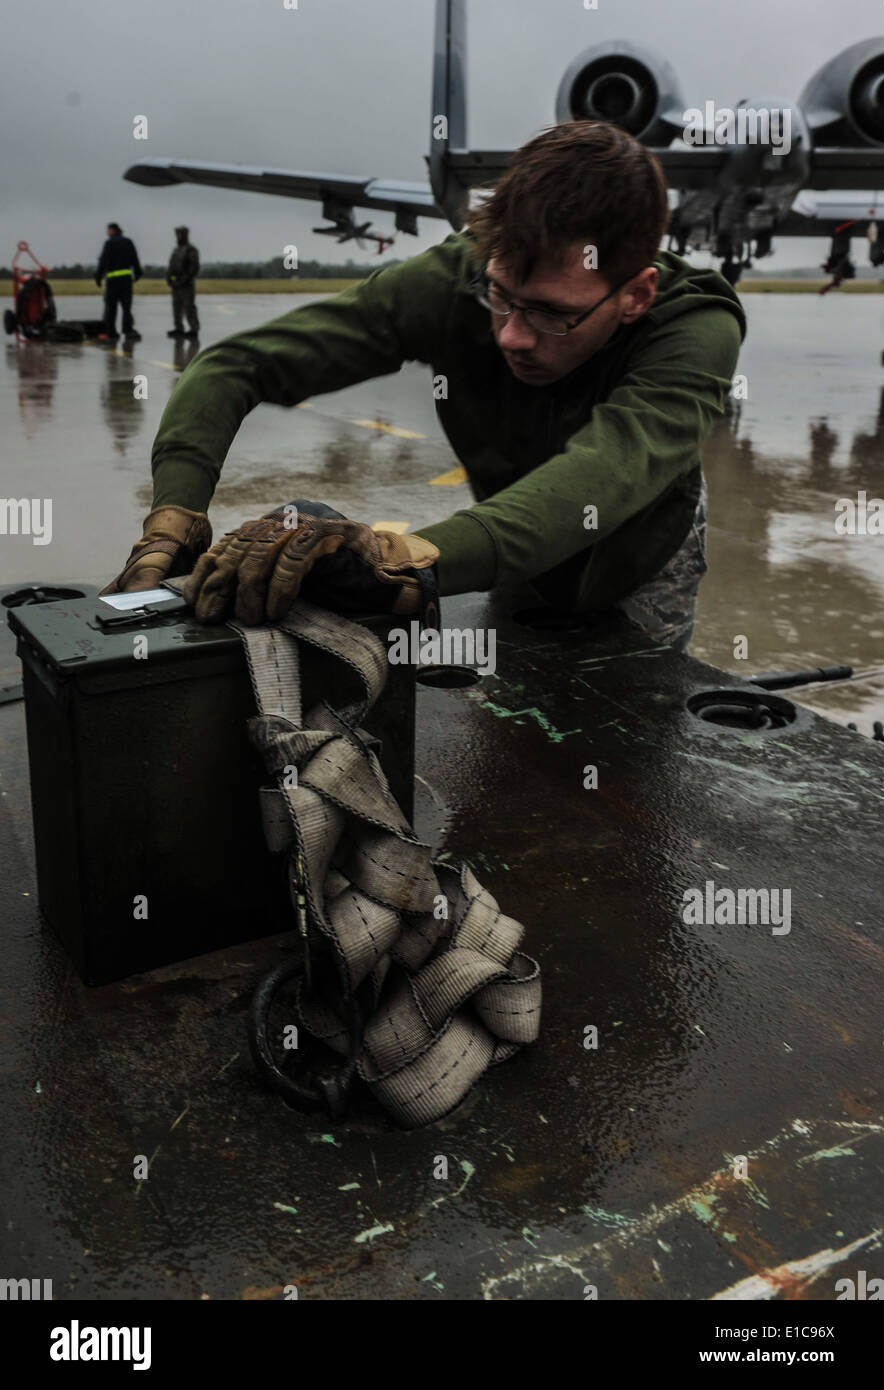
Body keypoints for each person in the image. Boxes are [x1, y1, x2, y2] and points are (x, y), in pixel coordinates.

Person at [103, 121, 746, 651]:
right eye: (499, 296)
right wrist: (173, 522)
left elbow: (597, 481)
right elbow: (233, 367)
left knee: (636, 734)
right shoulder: (451, 280)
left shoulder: (696, 329)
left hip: (639, 557)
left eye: (552, 312)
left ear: (636, 294)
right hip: (504, 534)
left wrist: (395, 557)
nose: (512, 336)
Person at [96, 223, 142, 341]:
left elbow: (103, 261)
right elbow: (135, 259)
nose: (107, 233)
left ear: (112, 230)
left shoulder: (109, 243)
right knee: (126, 307)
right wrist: (138, 273)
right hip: (126, 280)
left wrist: (98, 277)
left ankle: (111, 332)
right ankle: (128, 330)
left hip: (112, 281)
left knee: (111, 307)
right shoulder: (128, 242)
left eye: (108, 230)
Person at [167, 226, 200, 339]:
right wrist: (169, 278)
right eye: (177, 234)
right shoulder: (176, 250)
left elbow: (194, 268)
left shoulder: (191, 250)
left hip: (186, 285)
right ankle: (178, 328)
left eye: (180, 234)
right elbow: (171, 267)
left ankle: (193, 329)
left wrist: (184, 280)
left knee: (189, 307)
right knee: (176, 307)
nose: (177, 236)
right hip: (176, 284)